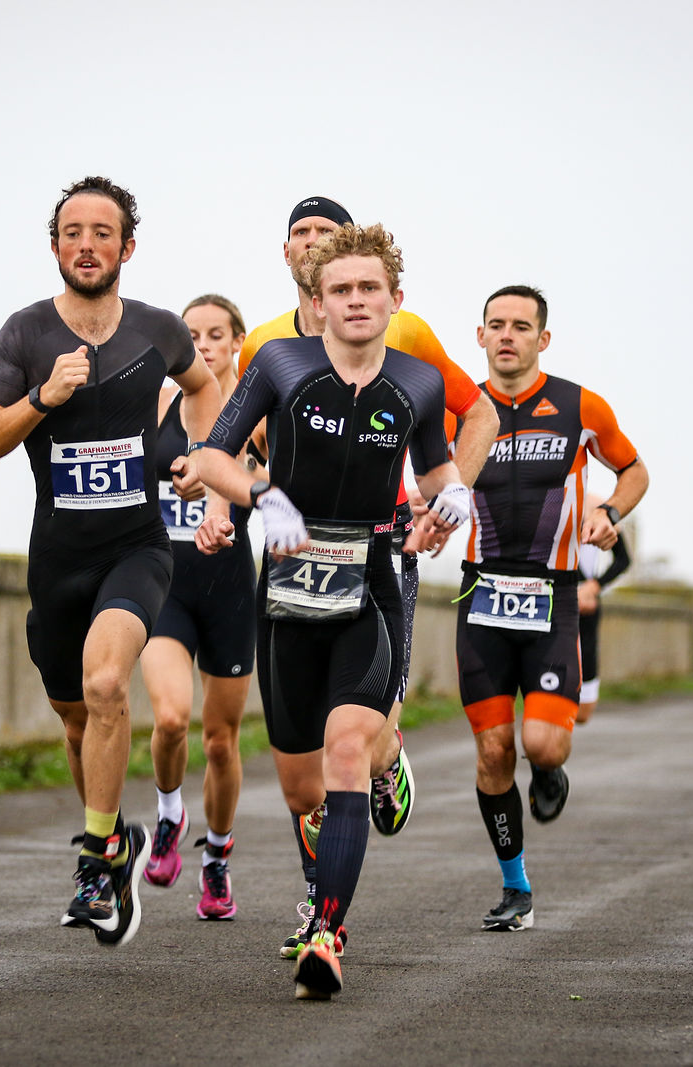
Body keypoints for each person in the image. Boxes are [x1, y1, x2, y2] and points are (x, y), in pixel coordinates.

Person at [193, 223, 469, 999]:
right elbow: (216, 453)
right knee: (302, 789)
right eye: (340, 289)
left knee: (346, 747)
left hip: (370, 578)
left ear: (395, 299)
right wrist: (261, 495)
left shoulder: (417, 382)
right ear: (316, 302)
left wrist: (453, 500)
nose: (355, 301)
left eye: (369, 288)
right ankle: (373, 784)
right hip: (284, 585)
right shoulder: (279, 363)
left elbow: (438, 467)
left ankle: (327, 932)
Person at [0, 176, 221, 947]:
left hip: (136, 548)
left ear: (127, 247)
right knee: (78, 725)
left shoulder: (157, 330)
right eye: (72, 232)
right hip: (58, 559)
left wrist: (201, 457)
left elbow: (206, 386)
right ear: (54, 248)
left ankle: (91, 865)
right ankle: (113, 843)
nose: (87, 244)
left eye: (102, 232)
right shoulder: (25, 335)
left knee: (108, 682)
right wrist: (43, 398)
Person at [239, 196, 499, 847]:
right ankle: (317, 895)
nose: (312, 241)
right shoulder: (264, 344)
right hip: (298, 553)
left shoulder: (403, 332)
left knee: (362, 739)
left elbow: (483, 415)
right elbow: (245, 444)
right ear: (290, 252)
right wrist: (239, 499)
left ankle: (387, 758)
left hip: (384, 547)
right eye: (301, 232)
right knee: (307, 755)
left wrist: (448, 494)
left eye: (326, 232)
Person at [457, 285, 648, 932]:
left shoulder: (577, 405)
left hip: (553, 595)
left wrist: (609, 510)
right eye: (496, 325)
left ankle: (549, 769)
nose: (507, 335)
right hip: (479, 593)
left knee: (540, 741)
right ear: (479, 336)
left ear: (544, 339)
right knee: (490, 752)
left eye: (522, 326)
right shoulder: (459, 410)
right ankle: (516, 888)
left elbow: (635, 469)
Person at [138, 295, 264, 920]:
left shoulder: (256, 415)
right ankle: (167, 815)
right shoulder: (156, 406)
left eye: (217, 334)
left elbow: (276, 480)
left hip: (230, 592)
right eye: (192, 335)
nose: (205, 345)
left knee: (219, 742)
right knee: (169, 720)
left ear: (238, 342)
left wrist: (229, 472)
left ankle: (216, 857)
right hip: (165, 587)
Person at [575, 532, 632, 725]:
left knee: (583, 712)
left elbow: (623, 559)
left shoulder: (597, 508)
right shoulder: (547, 505)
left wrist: (593, 587)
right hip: (550, 600)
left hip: (587, 607)